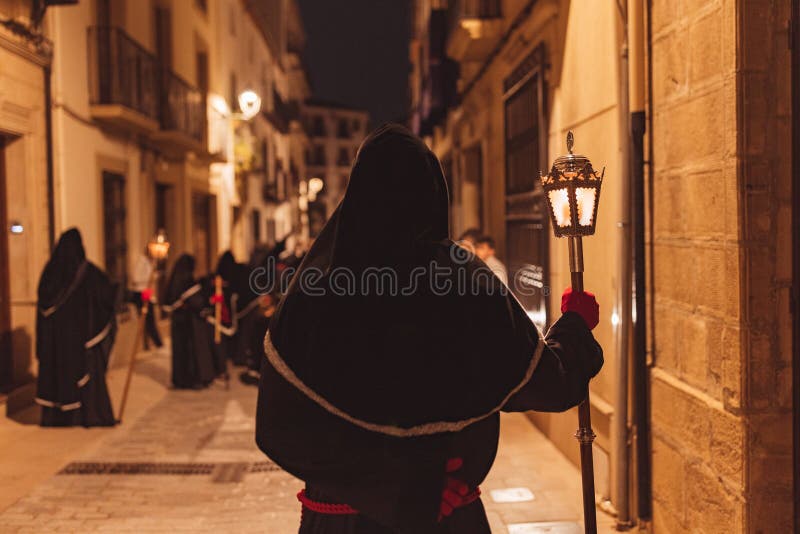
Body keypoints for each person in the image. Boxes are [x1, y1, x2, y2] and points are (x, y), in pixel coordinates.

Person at [255, 124, 603, 533]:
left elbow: (278, 428)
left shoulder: (313, 289)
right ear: (433, 193)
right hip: (445, 520)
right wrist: (575, 326)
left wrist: (390, 488)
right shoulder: (466, 280)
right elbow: (549, 380)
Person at [36, 228, 117, 427]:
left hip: (54, 342)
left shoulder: (49, 274)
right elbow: (107, 296)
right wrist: (132, 296)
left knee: (57, 371)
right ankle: (85, 416)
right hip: (78, 341)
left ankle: (55, 418)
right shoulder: (88, 273)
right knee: (82, 372)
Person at [163, 254, 216, 389]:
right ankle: (192, 380)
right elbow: (197, 303)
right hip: (190, 324)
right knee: (191, 352)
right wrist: (206, 306)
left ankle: (180, 379)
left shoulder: (174, 283)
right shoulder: (188, 282)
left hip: (178, 322)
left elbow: (170, 303)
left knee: (180, 352)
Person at [129, 248, 163, 350]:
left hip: (147, 292)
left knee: (149, 319)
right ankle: (156, 343)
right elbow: (136, 278)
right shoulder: (141, 263)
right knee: (148, 318)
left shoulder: (148, 262)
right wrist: (151, 277)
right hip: (142, 293)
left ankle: (152, 343)